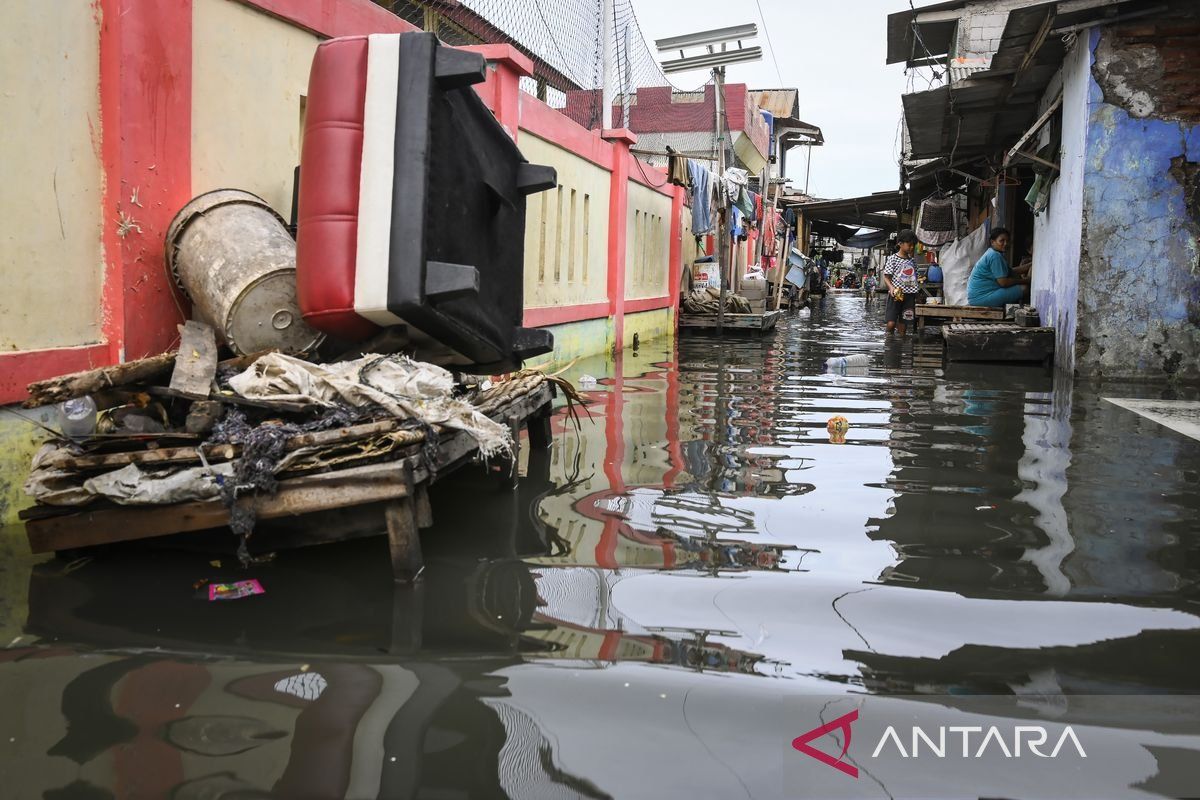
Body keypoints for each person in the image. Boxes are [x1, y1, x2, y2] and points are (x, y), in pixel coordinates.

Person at [967, 227, 1030, 307]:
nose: (1005, 243)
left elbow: (1011, 271)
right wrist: (1025, 281)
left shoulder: (993, 253)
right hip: (981, 298)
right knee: (1024, 288)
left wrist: (1030, 264)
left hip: (975, 298)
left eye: (1007, 241)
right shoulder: (994, 256)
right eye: (1002, 241)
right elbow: (1003, 282)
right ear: (993, 242)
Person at [883, 230, 920, 334]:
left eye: (913, 245)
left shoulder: (912, 261)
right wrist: (891, 288)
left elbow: (915, 278)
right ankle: (888, 341)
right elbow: (886, 277)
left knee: (903, 326)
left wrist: (917, 295)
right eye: (910, 244)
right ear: (900, 244)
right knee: (891, 323)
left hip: (909, 296)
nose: (912, 247)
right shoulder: (892, 259)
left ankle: (900, 346)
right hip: (896, 295)